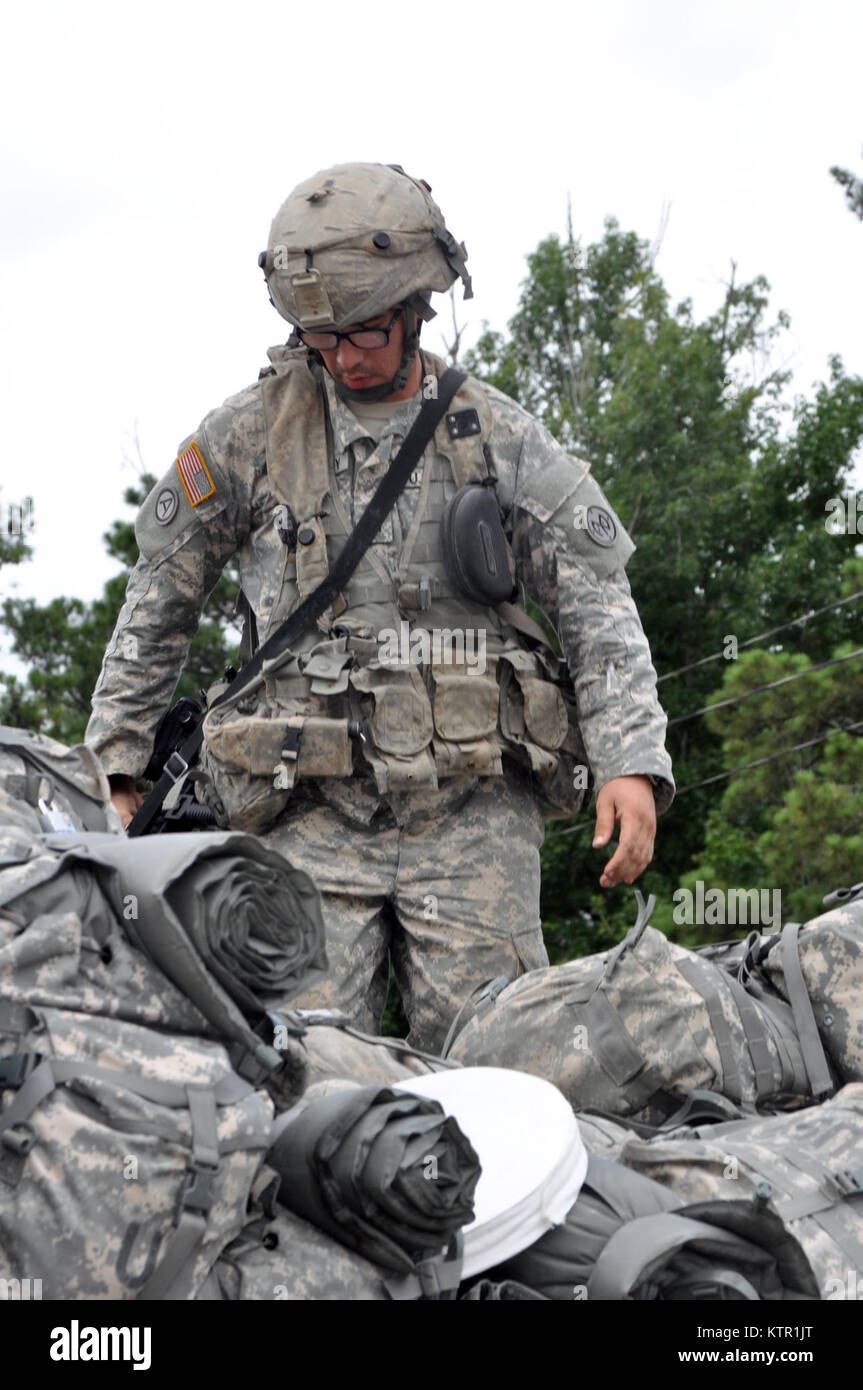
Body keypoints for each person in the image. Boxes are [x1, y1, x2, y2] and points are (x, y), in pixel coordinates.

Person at [87, 162, 674, 1052]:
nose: (342, 356)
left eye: (361, 332)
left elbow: (596, 606)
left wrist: (632, 759)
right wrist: (117, 770)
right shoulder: (248, 435)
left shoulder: (497, 435)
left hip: (472, 813)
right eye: (318, 338)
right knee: (302, 1062)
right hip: (301, 811)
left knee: (499, 1060)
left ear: (414, 307)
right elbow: (157, 604)